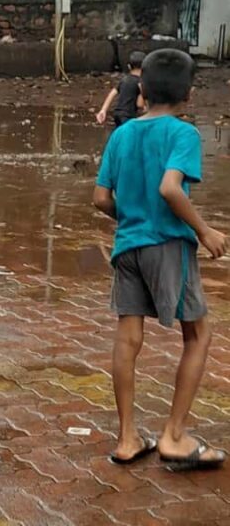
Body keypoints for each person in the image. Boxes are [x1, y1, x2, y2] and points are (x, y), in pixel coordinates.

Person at [93, 48, 227, 470]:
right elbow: (171, 188)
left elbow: (100, 199)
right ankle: (174, 435)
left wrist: (131, 217)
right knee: (198, 335)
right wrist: (204, 230)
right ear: (189, 93)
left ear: (142, 92)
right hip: (169, 245)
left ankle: (128, 437)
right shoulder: (183, 134)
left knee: (128, 339)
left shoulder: (122, 134)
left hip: (127, 247)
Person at [96, 51, 146, 128]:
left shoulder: (124, 79)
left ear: (129, 66)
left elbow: (112, 94)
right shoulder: (140, 82)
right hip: (128, 116)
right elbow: (139, 104)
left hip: (117, 114)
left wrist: (103, 110)